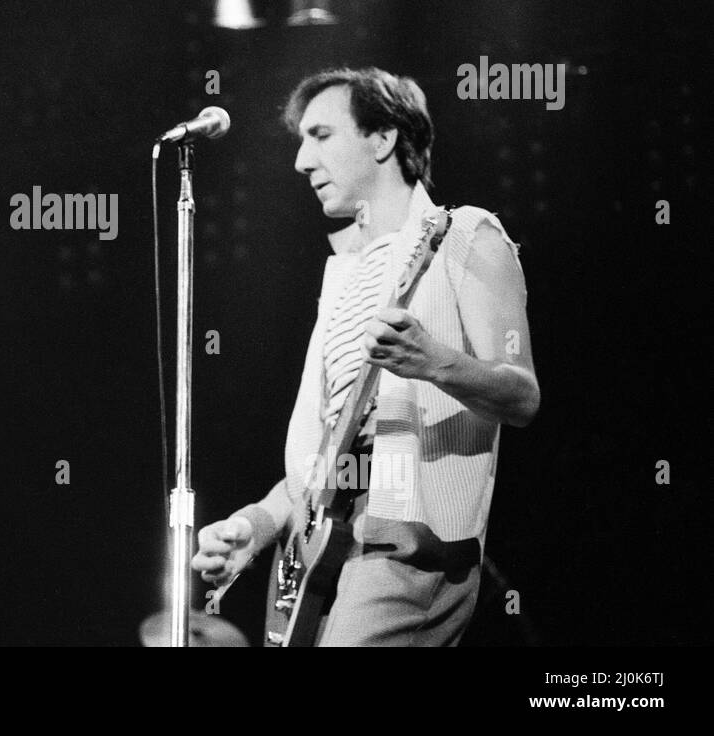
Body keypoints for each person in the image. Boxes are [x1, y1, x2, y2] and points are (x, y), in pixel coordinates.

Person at [192, 67, 539, 646]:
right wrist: (255, 526)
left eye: (321, 135)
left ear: (383, 139)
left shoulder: (466, 235)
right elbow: (336, 455)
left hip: (406, 551)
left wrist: (433, 361)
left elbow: (522, 393)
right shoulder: (344, 274)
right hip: (330, 560)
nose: (302, 161)